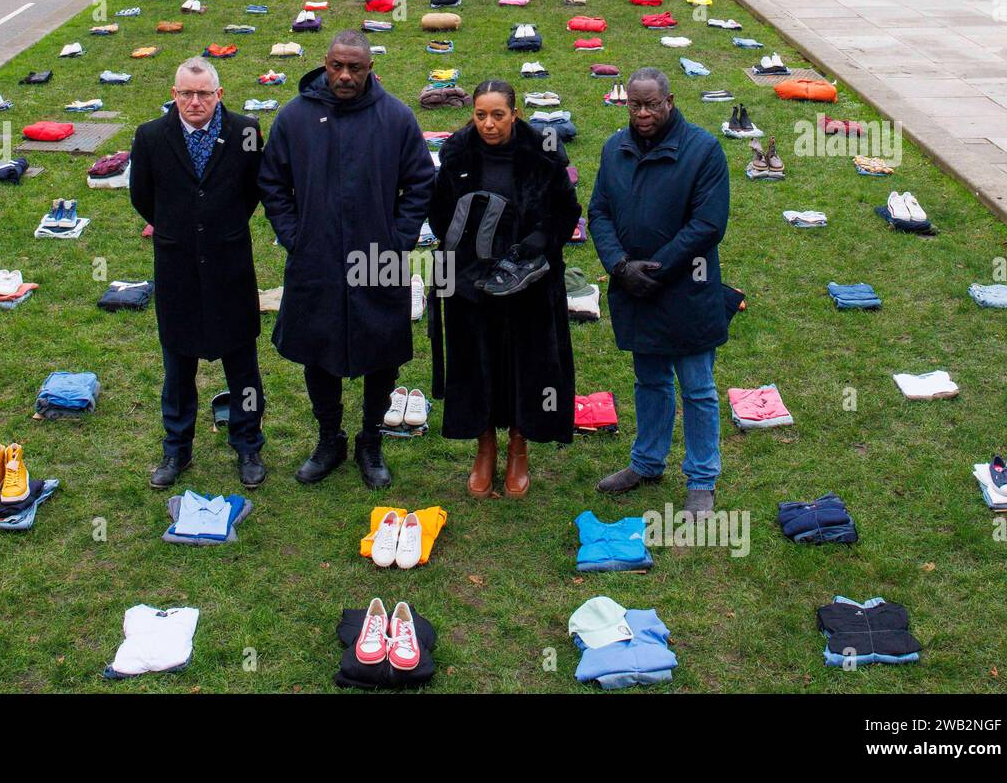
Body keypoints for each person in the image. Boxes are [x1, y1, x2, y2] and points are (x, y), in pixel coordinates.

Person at [260, 30, 435, 489]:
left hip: (381, 256)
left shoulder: (395, 117)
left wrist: (399, 236)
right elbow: (273, 182)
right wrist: (293, 235)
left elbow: (420, 181)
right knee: (317, 349)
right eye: (337, 65)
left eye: (355, 68)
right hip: (315, 256)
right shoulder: (295, 117)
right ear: (325, 62)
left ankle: (370, 440)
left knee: (382, 351)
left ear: (370, 69)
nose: (344, 75)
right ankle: (328, 439)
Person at [428, 80, 581, 499]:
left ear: (514, 114)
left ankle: (518, 445)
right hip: (470, 281)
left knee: (526, 363)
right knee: (478, 362)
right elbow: (441, 213)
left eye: (498, 115)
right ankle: (485, 446)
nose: (489, 124)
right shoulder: (458, 152)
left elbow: (566, 209)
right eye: (481, 115)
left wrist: (537, 244)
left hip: (529, 279)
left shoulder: (544, 150)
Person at [588, 68, 730, 518]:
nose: (643, 113)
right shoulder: (616, 148)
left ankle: (702, 479)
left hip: (686, 289)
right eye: (635, 104)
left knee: (697, 387)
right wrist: (619, 266)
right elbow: (599, 212)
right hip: (634, 287)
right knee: (649, 381)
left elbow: (708, 224)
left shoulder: (703, 149)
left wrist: (658, 269)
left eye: (652, 104)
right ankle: (647, 462)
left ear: (670, 101)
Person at [129, 58, 269, 489]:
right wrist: (179, 229)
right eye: (185, 93)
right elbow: (142, 196)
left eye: (203, 94)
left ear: (218, 95)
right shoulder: (151, 137)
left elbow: (253, 191)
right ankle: (177, 449)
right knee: (177, 364)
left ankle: (247, 443)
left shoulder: (246, 132)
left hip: (230, 264)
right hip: (177, 266)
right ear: (173, 95)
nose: (194, 102)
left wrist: (221, 226)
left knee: (242, 362)